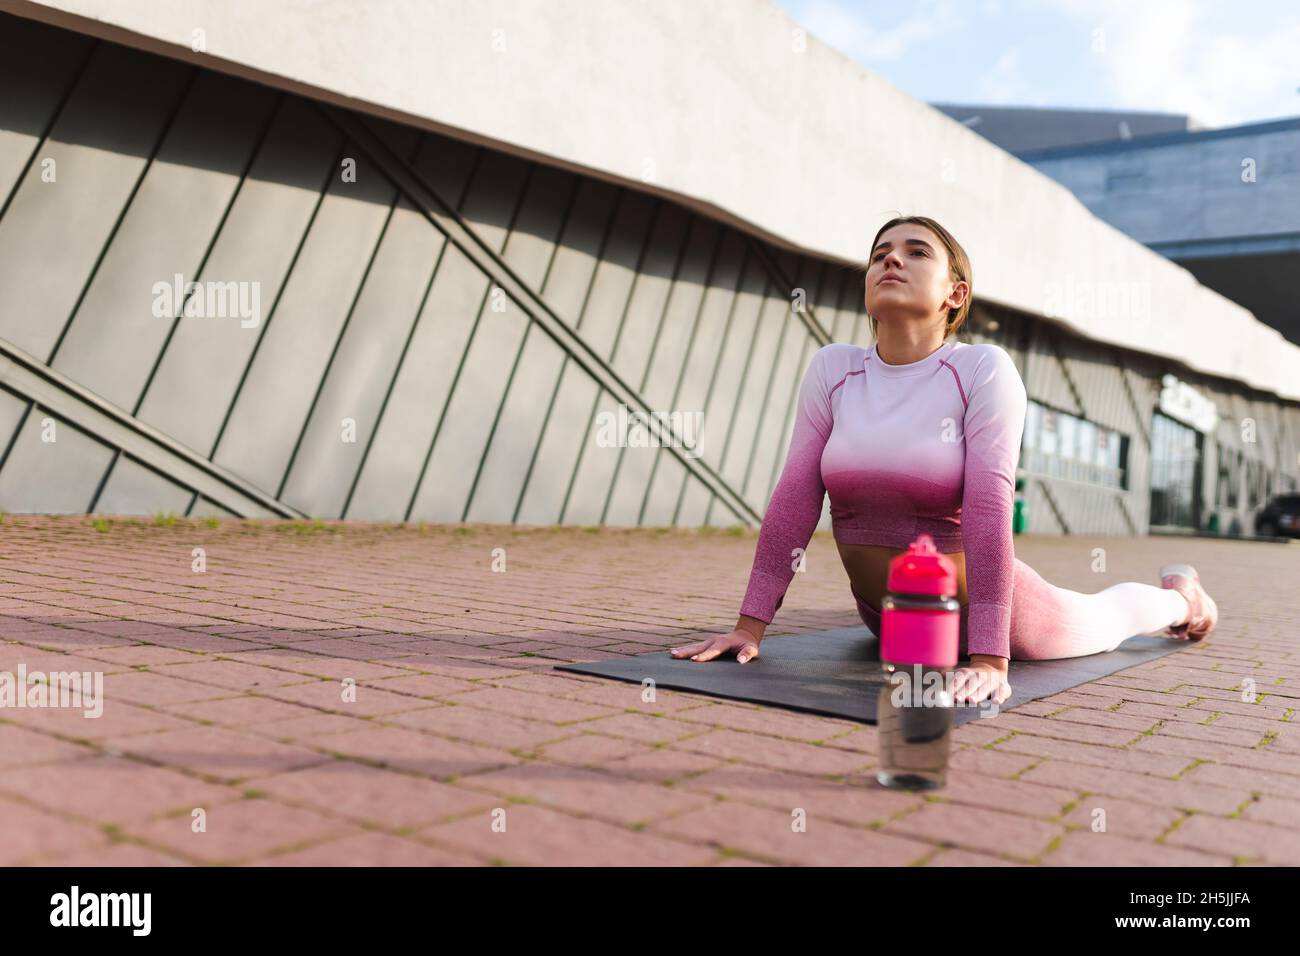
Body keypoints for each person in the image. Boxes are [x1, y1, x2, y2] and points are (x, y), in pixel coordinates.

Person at [670, 215, 1218, 705]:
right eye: (880, 251)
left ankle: (1183, 600)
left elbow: (988, 509)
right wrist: (749, 628)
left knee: (1108, 616)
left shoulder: (982, 369)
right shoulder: (832, 369)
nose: (891, 258)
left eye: (916, 252)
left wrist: (989, 659)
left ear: (956, 294)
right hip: (887, 615)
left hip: (1005, 619)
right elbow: (795, 497)